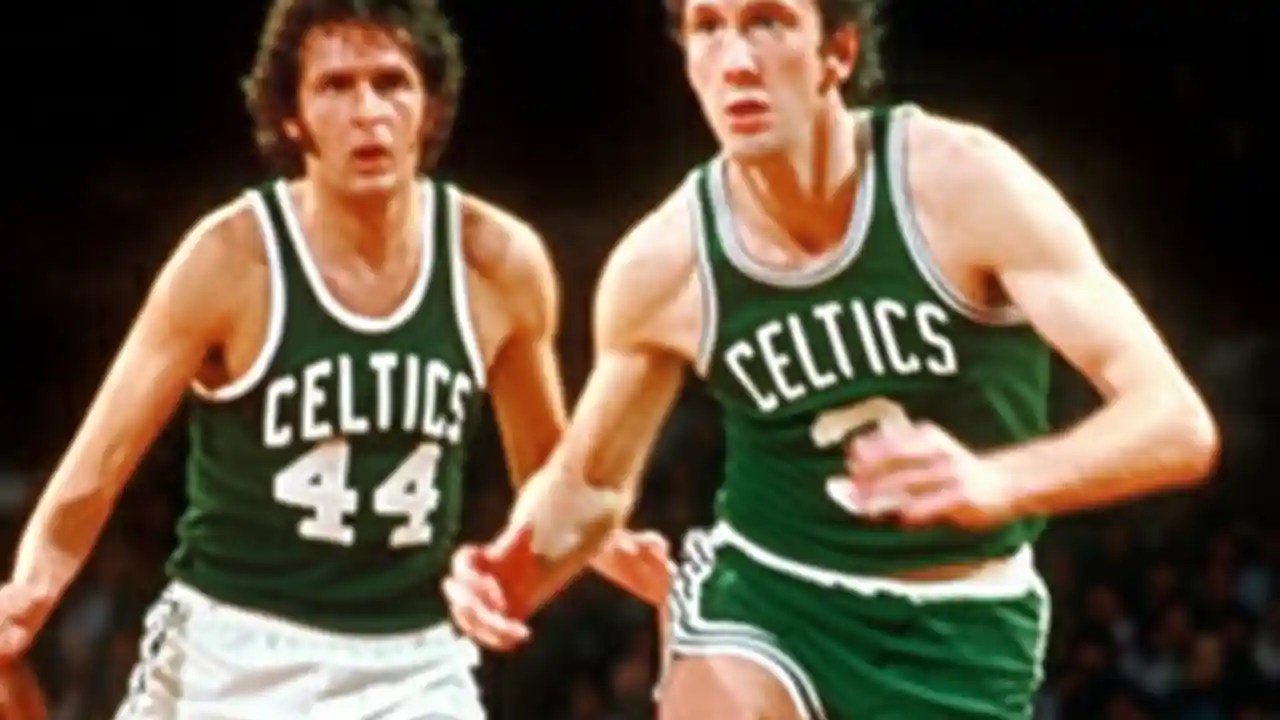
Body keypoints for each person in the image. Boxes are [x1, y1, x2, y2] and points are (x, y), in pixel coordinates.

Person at [442, 0, 1221, 718]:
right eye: (708, 28)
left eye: (768, 22)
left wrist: (1002, 480)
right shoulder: (666, 262)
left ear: (837, 52)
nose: (736, 60)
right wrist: (513, 567)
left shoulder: (960, 183)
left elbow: (1175, 424)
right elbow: (590, 485)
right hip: (769, 593)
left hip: (963, 623)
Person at [0, 0, 666, 717]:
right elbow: (98, 468)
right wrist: (27, 596)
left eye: (391, 82)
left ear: (431, 107)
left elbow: (544, 472)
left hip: (413, 659)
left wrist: (598, 545)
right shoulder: (229, 259)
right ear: (291, 117)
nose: (368, 111)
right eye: (336, 86)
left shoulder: (499, 262)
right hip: (233, 649)